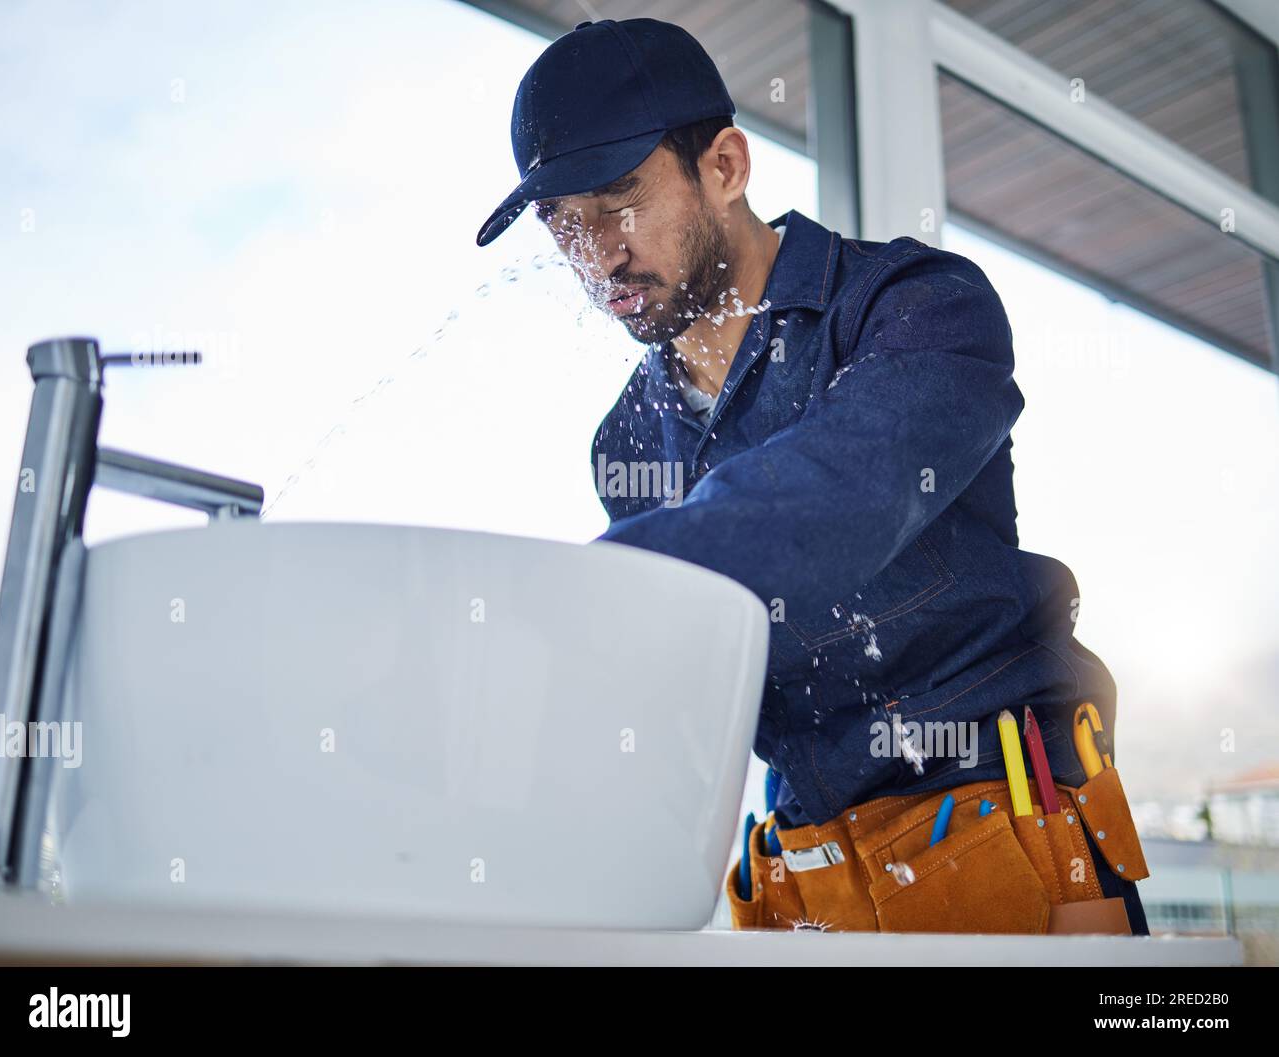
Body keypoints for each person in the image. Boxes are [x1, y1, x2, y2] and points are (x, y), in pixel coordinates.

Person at [477, 17, 1147, 935]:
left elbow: (843, 495)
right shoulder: (627, 445)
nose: (598, 254)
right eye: (565, 226)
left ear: (725, 167)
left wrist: (575, 599)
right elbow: (678, 707)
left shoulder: (917, 309)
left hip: (1008, 853)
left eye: (620, 200)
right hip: (802, 889)